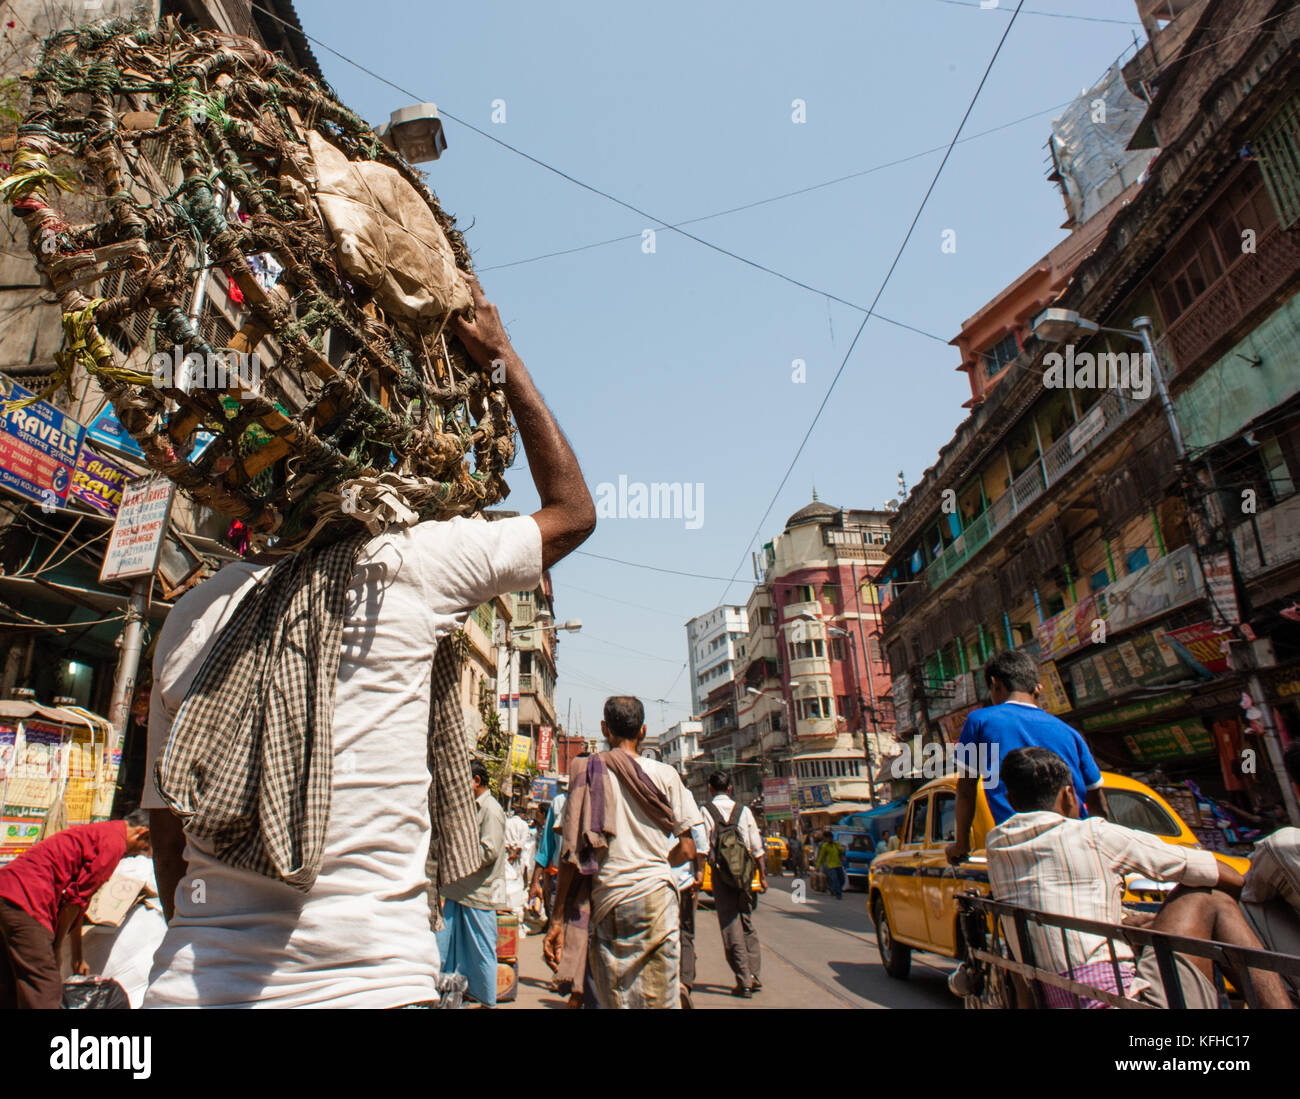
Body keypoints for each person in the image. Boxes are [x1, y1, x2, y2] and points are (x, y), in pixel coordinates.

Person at [143, 278, 596, 1008]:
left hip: (191, 985)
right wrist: (501, 354)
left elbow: (169, 841)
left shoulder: (190, 612)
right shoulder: (412, 563)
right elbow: (572, 512)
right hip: (372, 984)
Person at [986, 747, 1291, 1009]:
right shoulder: (1093, 833)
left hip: (1053, 993)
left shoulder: (997, 845)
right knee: (1211, 899)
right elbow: (1205, 867)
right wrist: (1260, 898)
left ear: (1012, 801)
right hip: (1113, 999)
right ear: (1068, 795)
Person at [543, 697, 701, 1009]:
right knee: (660, 1000)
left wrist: (557, 918)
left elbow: (571, 855)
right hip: (659, 900)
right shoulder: (667, 775)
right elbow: (688, 848)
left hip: (611, 899)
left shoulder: (587, 771)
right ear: (643, 731)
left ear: (604, 728)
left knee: (615, 1000)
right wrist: (654, 864)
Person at [946, 648, 1104, 867]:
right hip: (1078, 846)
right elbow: (1097, 799)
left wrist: (961, 844)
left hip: (1020, 849)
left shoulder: (980, 721)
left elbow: (965, 789)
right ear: (1036, 688)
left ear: (995, 683)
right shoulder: (1069, 732)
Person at [0, 812, 151, 1009]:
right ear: (142, 833)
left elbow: (78, 903)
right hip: (27, 899)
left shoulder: (104, 832)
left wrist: (77, 956)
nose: (135, 854)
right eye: (142, 849)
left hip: (7, 891)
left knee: (11, 980)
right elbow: (75, 901)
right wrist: (56, 947)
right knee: (44, 987)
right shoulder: (113, 844)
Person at [436, 761, 508, 1007]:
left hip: (479, 894)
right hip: (457, 891)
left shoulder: (491, 810)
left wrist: (458, 853)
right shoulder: (471, 808)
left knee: (482, 952)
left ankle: (487, 1001)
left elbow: (489, 852)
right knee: (446, 950)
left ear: (476, 781)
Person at [702, 770, 766, 997]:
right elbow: (757, 847)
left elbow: (703, 847)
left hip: (721, 874)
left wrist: (699, 876)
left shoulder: (706, 811)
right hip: (746, 874)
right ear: (730, 788)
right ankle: (755, 975)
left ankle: (743, 980)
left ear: (711, 789)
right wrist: (763, 876)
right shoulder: (744, 811)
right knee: (746, 922)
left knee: (730, 925)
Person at [674, 819, 709, 1008]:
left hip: (653, 880)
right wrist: (700, 873)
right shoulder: (683, 797)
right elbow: (700, 844)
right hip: (683, 882)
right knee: (685, 934)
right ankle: (683, 984)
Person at [816, 831, 846, 899]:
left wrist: (837, 846)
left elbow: (842, 851)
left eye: (825, 838)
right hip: (831, 866)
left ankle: (834, 889)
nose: (825, 840)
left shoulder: (836, 844)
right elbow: (821, 856)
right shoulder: (825, 846)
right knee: (835, 879)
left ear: (829, 838)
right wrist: (817, 866)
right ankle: (838, 894)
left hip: (838, 864)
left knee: (842, 879)